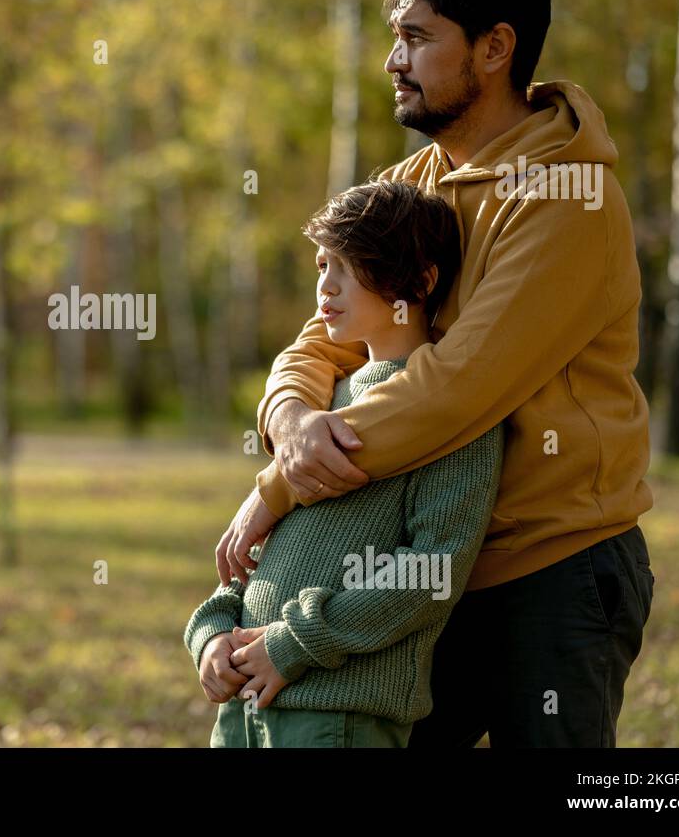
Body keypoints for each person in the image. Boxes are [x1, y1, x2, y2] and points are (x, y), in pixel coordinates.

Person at [216, 0, 654, 748]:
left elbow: (459, 385)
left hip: (550, 569)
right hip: (415, 569)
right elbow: (322, 340)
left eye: (416, 38)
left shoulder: (571, 198)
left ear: (495, 48)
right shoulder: (408, 185)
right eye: (394, 37)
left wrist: (282, 486)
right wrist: (291, 420)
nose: (393, 59)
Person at [186, 180, 504, 748]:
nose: (324, 289)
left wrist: (293, 644)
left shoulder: (454, 414)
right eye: (321, 265)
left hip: (338, 721)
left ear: (422, 281)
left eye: (349, 267)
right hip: (243, 715)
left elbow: (432, 570)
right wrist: (212, 633)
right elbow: (259, 560)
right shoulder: (324, 400)